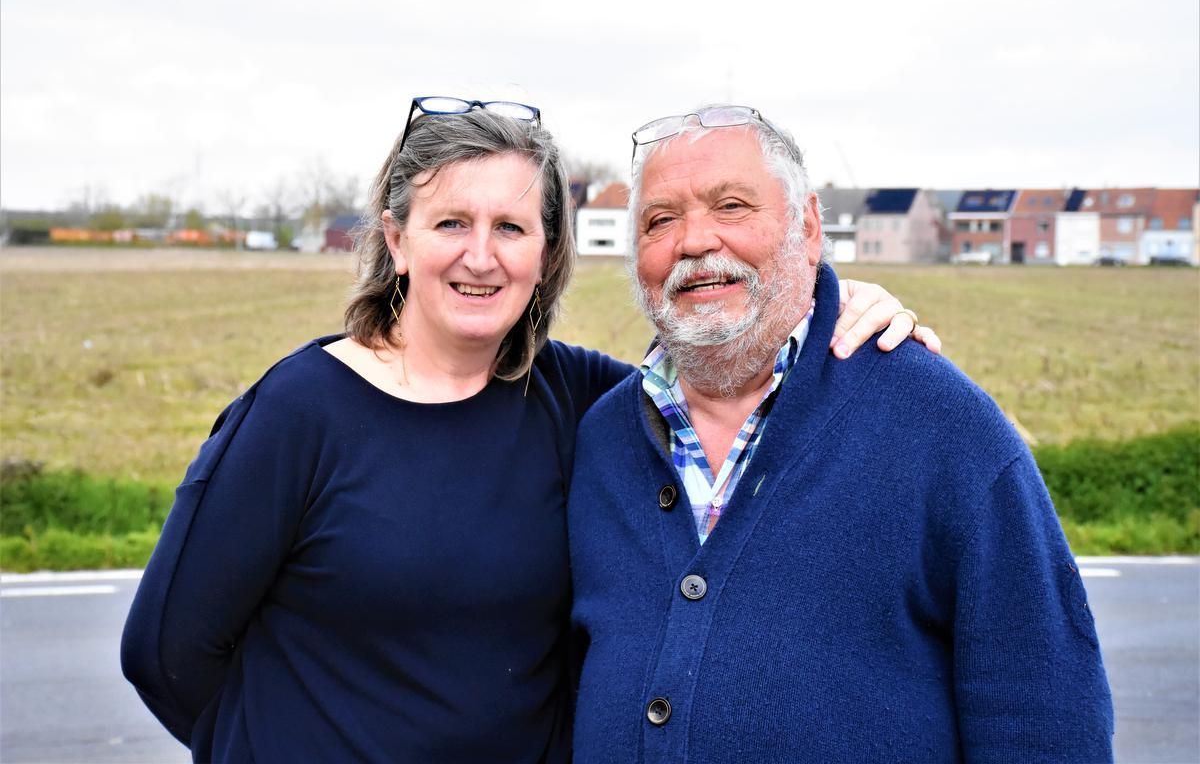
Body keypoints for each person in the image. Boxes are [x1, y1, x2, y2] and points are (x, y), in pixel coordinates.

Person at [121, 98, 937, 763]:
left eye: (511, 228)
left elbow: (734, 388)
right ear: (397, 240)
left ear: (547, 255)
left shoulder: (577, 397)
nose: (481, 256)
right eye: (450, 224)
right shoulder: (302, 411)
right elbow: (165, 655)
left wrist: (840, 306)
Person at [568, 105, 1114, 763]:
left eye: (732, 207)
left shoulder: (943, 428)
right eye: (660, 220)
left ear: (808, 226)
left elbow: (1045, 722)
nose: (694, 241)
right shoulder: (601, 439)